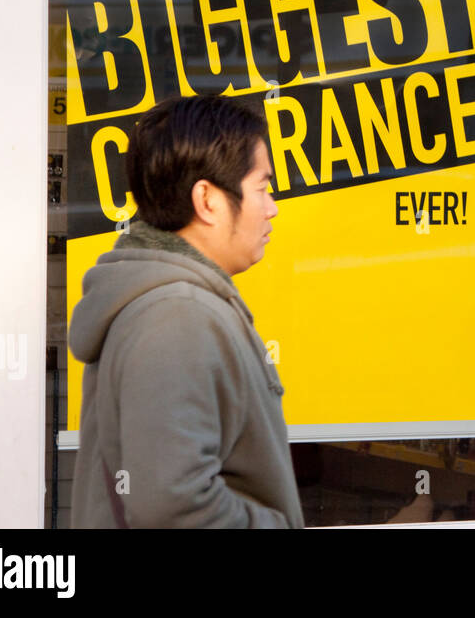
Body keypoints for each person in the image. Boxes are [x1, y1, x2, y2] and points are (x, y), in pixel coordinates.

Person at [69, 94, 303, 528]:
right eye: (263, 188)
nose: (271, 208)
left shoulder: (166, 303)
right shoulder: (177, 317)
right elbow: (172, 507)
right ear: (208, 200)